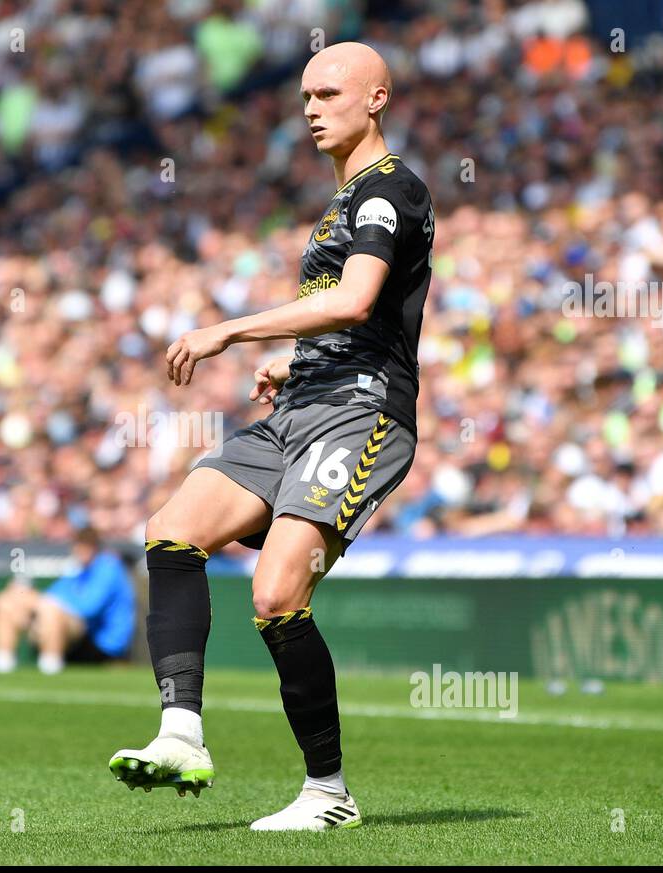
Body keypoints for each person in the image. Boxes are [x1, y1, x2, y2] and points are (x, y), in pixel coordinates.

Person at [107, 42, 433, 830]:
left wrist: (233, 331)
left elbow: (356, 301)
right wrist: (294, 364)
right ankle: (181, 730)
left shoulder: (390, 191)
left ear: (377, 98)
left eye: (329, 92)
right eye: (305, 97)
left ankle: (328, 794)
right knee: (172, 532)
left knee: (278, 593)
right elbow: (360, 319)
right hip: (303, 406)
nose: (313, 108)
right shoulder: (342, 198)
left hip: (363, 415)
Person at [0, 527, 136, 675]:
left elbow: (88, 609)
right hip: (73, 633)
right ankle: (2, 665)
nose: (80, 550)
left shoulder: (108, 567)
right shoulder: (77, 569)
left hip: (100, 644)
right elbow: (54, 595)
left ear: (95, 547)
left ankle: (50, 666)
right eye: (78, 546)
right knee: (5, 602)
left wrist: (36, 599)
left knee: (49, 610)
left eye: (85, 546)